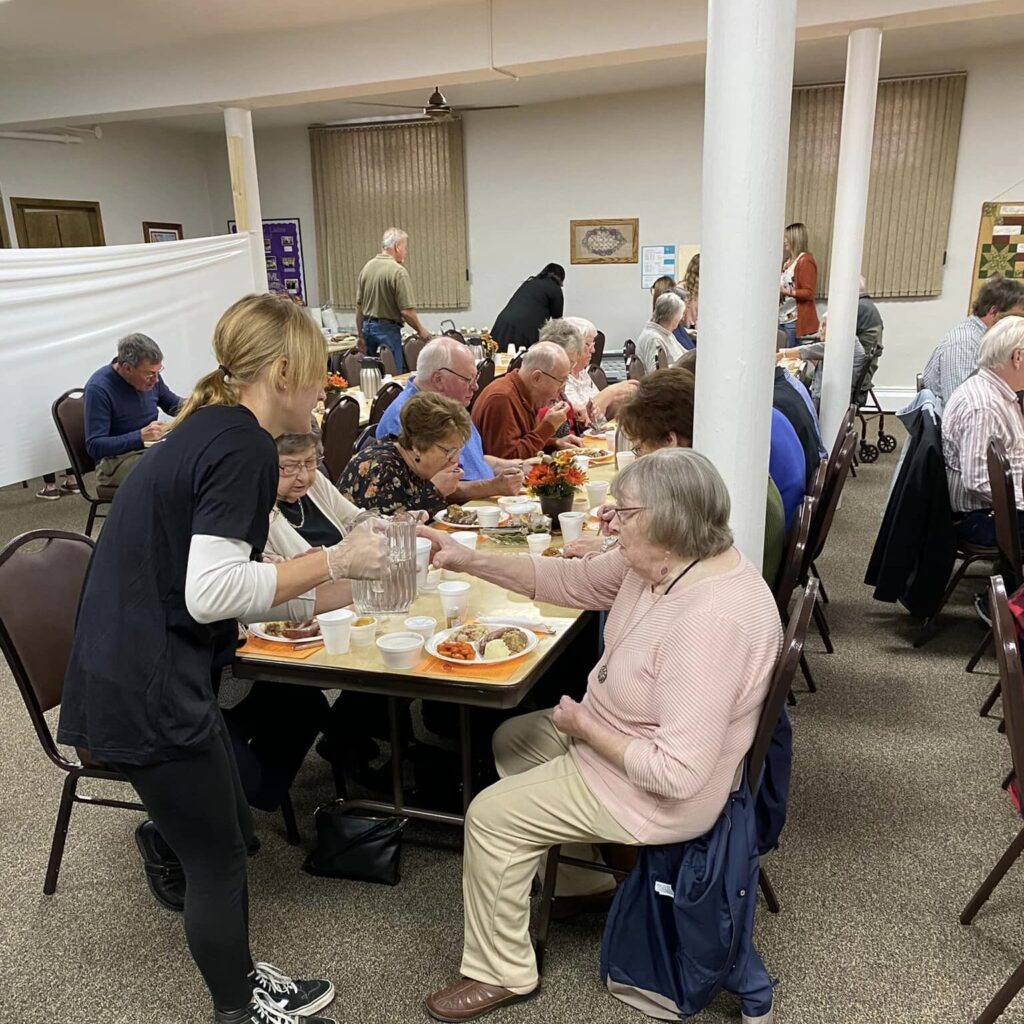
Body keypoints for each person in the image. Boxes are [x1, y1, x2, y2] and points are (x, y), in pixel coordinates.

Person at [57, 293, 389, 1024]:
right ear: (280, 371)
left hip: (141, 669)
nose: (326, 387)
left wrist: (325, 592)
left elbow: (222, 587)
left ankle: (241, 984)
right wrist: (336, 555)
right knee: (217, 861)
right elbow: (212, 592)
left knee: (226, 847)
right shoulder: (242, 446)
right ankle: (237, 1011)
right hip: (150, 685)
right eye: (318, 374)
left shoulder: (215, 429)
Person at [419, 448, 783, 1022]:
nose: (608, 522)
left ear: (666, 524)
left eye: (622, 513)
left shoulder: (711, 619)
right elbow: (569, 578)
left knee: (491, 818)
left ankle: (499, 971)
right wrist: (467, 560)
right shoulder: (666, 562)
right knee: (514, 739)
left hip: (663, 792)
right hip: (623, 741)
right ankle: (585, 883)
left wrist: (586, 725)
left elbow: (678, 773)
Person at [603, 368, 787, 586]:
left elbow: (670, 562)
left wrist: (606, 546)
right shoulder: (719, 469)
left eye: (640, 449)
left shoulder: (711, 493)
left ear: (669, 442)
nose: (639, 459)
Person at [374, 336, 527, 498]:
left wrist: (516, 466)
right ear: (438, 379)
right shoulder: (406, 418)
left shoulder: (451, 405)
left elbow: (474, 460)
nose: (475, 387)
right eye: (468, 379)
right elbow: (434, 488)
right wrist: (493, 487)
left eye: (476, 378)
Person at [942, 316, 1024, 549]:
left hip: (997, 505)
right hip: (982, 516)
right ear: (1017, 357)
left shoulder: (994, 390)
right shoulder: (983, 407)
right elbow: (978, 481)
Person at [339, 391, 472, 517]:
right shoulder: (381, 468)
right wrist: (435, 492)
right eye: (449, 451)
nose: (456, 460)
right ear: (417, 446)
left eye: (458, 450)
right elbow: (389, 531)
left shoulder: (419, 465)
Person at [83, 332, 182, 487]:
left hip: (148, 448)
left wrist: (198, 404)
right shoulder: (99, 388)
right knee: (170, 470)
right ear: (127, 368)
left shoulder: (151, 377)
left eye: (158, 372)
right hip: (115, 461)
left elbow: (172, 404)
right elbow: (95, 446)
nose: (155, 380)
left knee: (191, 456)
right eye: (150, 374)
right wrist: (139, 437)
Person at [921, 276, 1024, 404]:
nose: (1020, 322)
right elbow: (964, 404)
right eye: (1017, 316)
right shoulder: (963, 343)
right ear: (994, 312)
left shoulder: (991, 339)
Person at [471, 341, 579, 459]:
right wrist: (548, 427)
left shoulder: (526, 393)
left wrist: (555, 444)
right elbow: (508, 461)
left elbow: (524, 442)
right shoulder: (502, 398)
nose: (562, 390)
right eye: (561, 381)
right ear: (537, 378)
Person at [355, 227, 432, 372]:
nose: (406, 252)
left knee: (374, 377)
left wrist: (360, 335)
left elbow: (359, 307)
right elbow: (406, 311)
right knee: (393, 379)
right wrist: (422, 331)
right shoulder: (398, 271)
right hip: (387, 332)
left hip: (367, 329)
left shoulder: (367, 268)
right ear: (397, 246)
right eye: (405, 247)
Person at [562, 316, 638, 423]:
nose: (593, 350)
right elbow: (582, 419)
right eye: (588, 345)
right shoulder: (562, 377)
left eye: (593, 344)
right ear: (572, 346)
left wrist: (619, 397)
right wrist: (611, 392)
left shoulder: (582, 373)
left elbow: (601, 414)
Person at [490, 263, 565, 350]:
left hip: (503, 322)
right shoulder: (555, 289)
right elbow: (557, 322)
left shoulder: (530, 283)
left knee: (497, 356)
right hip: (524, 329)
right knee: (520, 360)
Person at [778, 222, 819, 345]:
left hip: (795, 321)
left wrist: (786, 291)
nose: (784, 241)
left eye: (787, 238)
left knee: (791, 359)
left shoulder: (805, 261)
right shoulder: (787, 262)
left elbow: (808, 292)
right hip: (782, 317)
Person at [635, 291, 686, 373]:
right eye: (681, 315)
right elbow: (655, 373)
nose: (682, 318)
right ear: (673, 318)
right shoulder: (653, 339)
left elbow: (685, 354)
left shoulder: (666, 333)